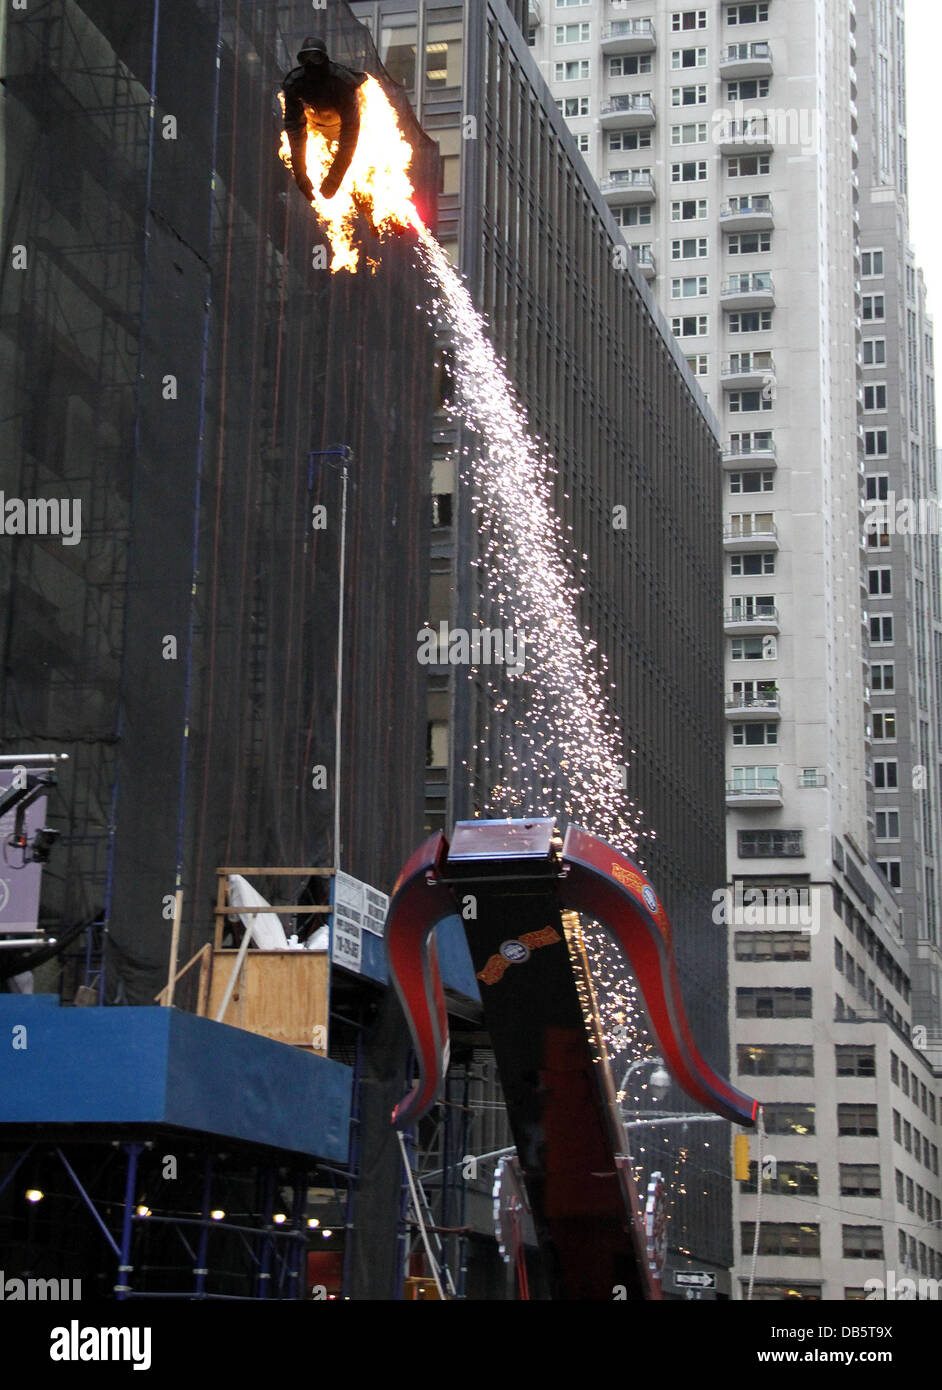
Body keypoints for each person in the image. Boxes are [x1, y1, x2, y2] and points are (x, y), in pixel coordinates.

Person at [282, 36, 368, 201]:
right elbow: (295, 131)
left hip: (352, 129)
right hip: (317, 128)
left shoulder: (342, 82)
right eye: (305, 59)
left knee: (366, 185)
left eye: (316, 58)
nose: (311, 64)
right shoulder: (295, 83)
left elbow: (350, 133)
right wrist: (300, 175)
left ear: (324, 59)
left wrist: (334, 179)